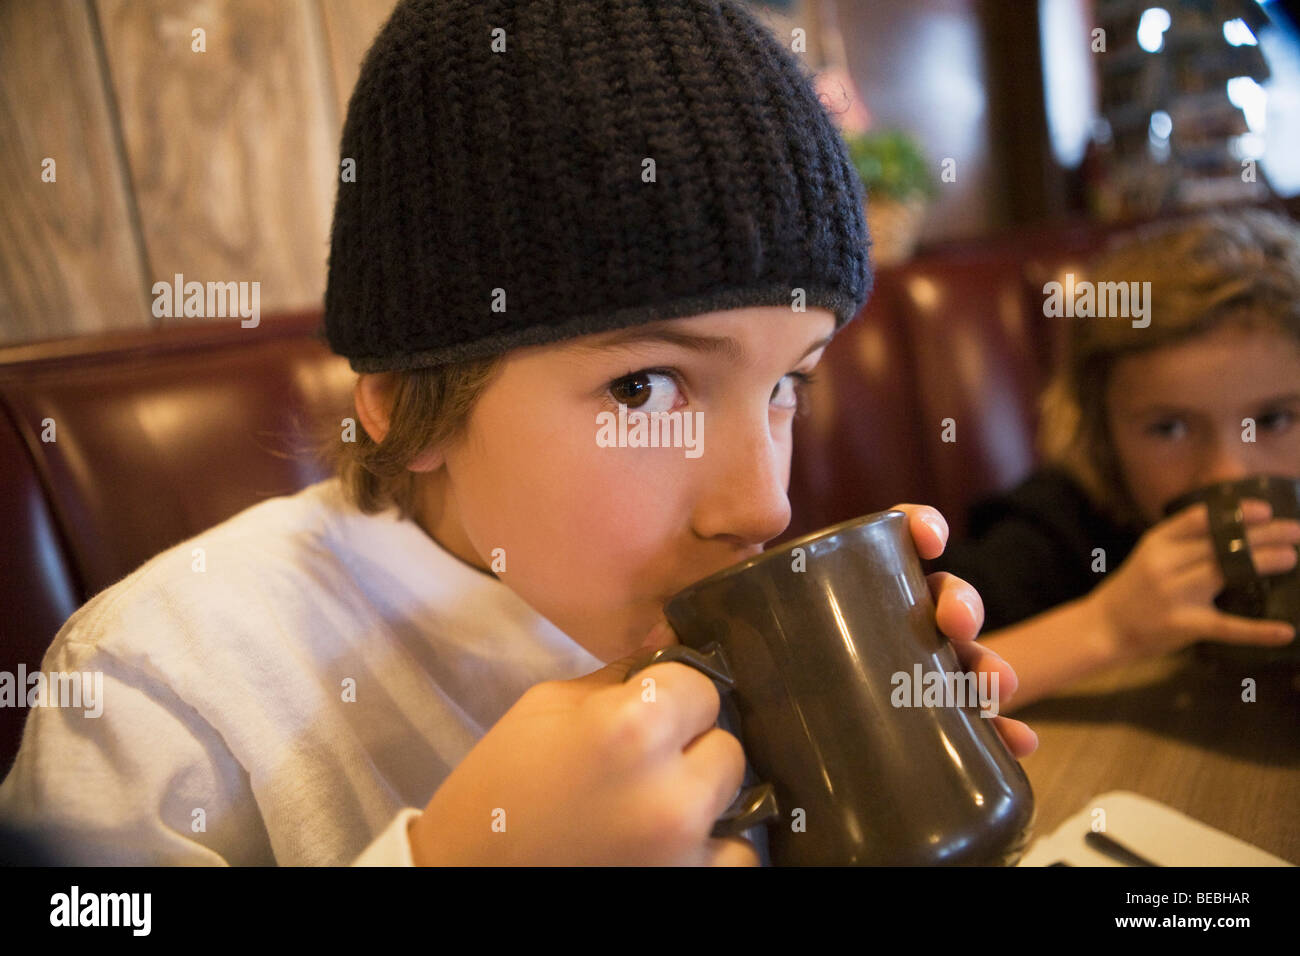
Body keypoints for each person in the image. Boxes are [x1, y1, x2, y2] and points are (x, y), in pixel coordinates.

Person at [0, 0, 1033, 866]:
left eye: (788, 383)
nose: (762, 502)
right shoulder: (160, 684)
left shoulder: (708, 639)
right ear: (407, 403)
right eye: (643, 386)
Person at [937, 208, 1300, 711]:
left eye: (1276, 420)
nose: (1228, 472)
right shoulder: (1061, 530)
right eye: (1168, 428)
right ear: (1100, 434)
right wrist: (1106, 627)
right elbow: (900, 690)